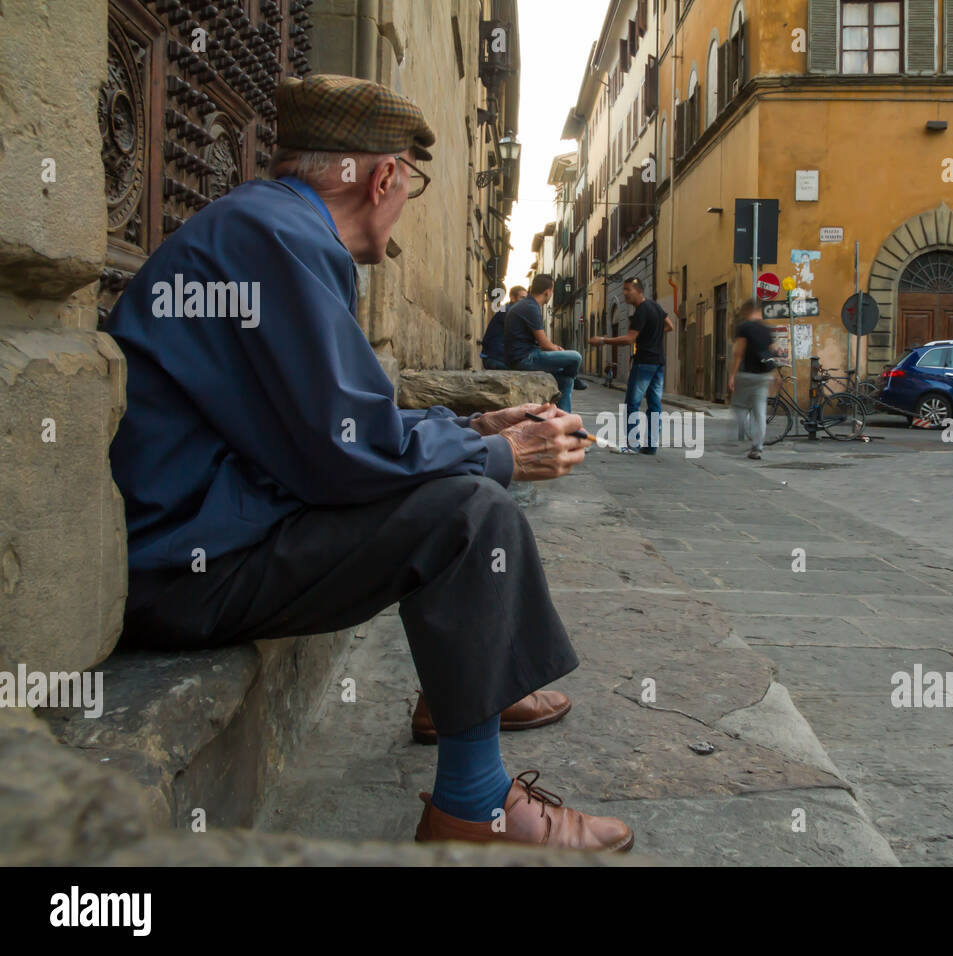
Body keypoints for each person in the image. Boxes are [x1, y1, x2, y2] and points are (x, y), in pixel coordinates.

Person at [103, 74, 632, 852]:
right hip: (190, 571)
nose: (403, 210)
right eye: (408, 187)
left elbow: (329, 422)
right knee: (469, 509)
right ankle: (474, 803)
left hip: (208, 536)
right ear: (385, 177)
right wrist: (496, 451)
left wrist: (474, 421)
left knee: (462, 479)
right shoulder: (275, 241)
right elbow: (346, 455)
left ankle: (461, 694)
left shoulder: (265, 227)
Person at [590, 278, 673, 454]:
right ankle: (651, 446)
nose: (625, 293)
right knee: (654, 405)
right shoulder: (656, 307)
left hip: (644, 363)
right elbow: (669, 325)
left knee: (632, 404)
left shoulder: (641, 311)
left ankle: (632, 445)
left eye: (628, 290)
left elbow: (628, 339)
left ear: (639, 290)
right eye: (624, 290)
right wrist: (652, 335)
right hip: (659, 362)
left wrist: (603, 340)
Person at [505, 275, 584, 412]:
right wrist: (557, 349)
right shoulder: (531, 307)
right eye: (552, 291)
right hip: (526, 358)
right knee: (576, 357)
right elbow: (544, 344)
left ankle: (564, 419)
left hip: (520, 356)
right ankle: (572, 377)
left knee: (566, 381)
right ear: (548, 291)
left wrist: (554, 348)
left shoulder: (526, 305)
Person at [728, 299, 776, 460]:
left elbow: (739, 353)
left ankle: (745, 430)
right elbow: (772, 352)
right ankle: (757, 447)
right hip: (763, 376)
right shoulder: (767, 329)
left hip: (746, 373)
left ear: (746, 310)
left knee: (739, 406)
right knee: (760, 411)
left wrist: (732, 375)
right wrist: (774, 374)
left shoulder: (744, 327)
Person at [480, 285, 525, 370]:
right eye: (522, 298)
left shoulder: (509, 310)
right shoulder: (508, 312)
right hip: (495, 359)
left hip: (495, 358)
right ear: (512, 298)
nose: (524, 302)